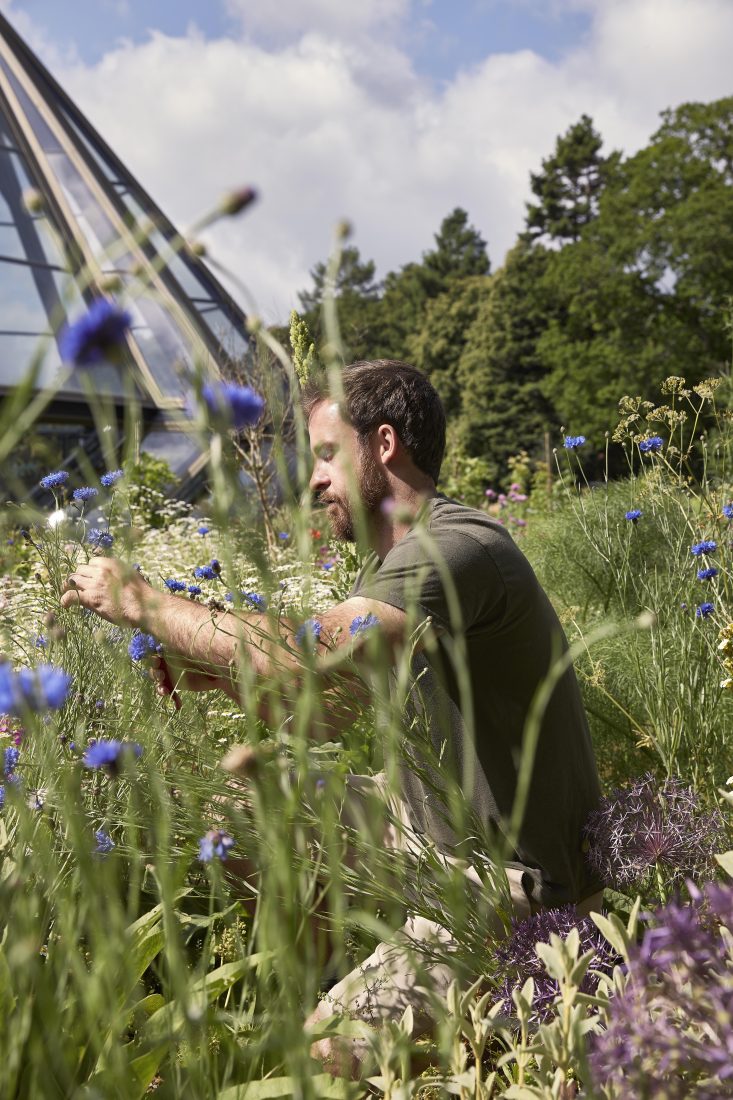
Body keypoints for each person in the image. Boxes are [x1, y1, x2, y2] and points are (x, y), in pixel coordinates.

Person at [60, 359, 603, 1075]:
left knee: (319, 1058)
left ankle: (410, 1027)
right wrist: (216, 674)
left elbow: (302, 658)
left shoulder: (454, 549)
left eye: (324, 455)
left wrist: (146, 604)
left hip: (512, 885)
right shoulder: (391, 568)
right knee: (238, 802)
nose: (313, 481)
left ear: (383, 444)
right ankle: (334, 977)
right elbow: (325, 713)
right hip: (422, 831)